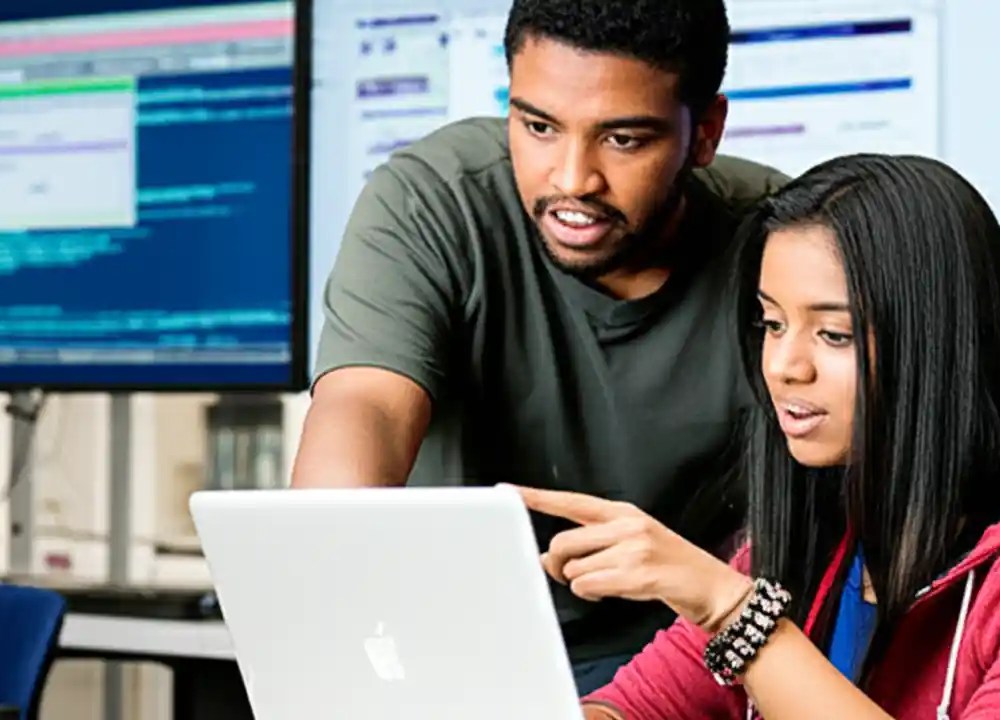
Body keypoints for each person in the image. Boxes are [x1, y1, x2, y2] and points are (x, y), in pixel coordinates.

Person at [515, 153, 1000, 719]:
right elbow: (641, 707)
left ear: (940, 346)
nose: (785, 366)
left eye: (834, 334)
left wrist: (733, 611)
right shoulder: (822, 520)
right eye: (772, 323)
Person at [292, 0, 787, 694]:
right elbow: (365, 405)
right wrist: (321, 592)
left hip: (685, 665)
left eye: (623, 139)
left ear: (704, 132)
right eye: (539, 127)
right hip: (449, 654)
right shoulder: (436, 200)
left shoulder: (781, 244)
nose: (572, 179)